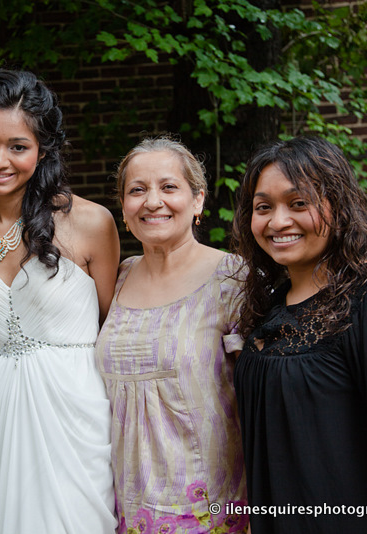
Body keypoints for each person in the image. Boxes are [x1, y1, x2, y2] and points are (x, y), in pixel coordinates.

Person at [231, 135, 367, 533]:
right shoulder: (264, 310)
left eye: (298, 203)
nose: (278, 221)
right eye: (263, 207)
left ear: (338, 207)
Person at [0, 69, 120, 534]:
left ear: (42, 150)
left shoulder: (91, 222)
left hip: (76, 414)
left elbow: (113, 327)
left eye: (18, 146)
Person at [95, 136, 248, 533]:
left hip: (206, 509)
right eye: (137, 190)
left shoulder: (233, 278)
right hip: (123, 505)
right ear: (124, 207)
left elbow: (262, 396)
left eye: (168, 187)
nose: (152, 201)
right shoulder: (118, 276)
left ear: (197, 200)